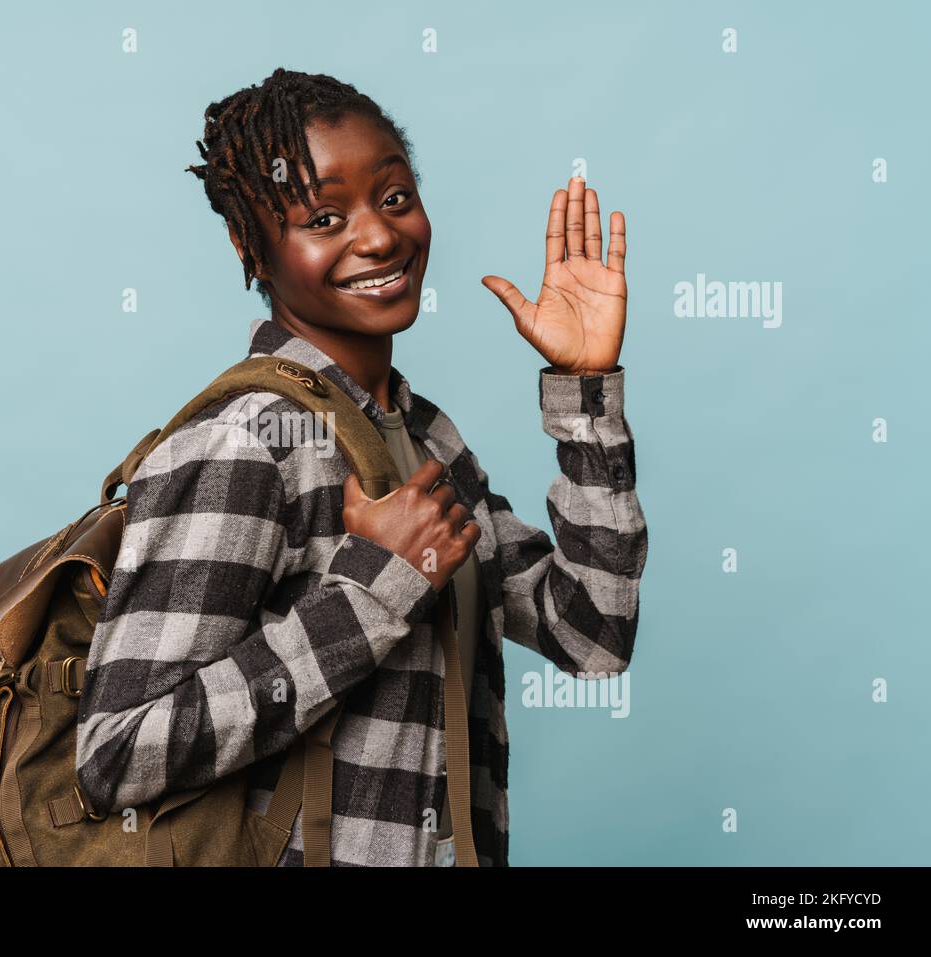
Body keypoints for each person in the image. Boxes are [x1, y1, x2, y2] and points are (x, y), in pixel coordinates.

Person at [76, 67, 647, 867]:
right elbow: (115, 752)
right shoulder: (246, 442)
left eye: (394, 198)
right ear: (254, 248)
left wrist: (586, 390)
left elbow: (591, 633)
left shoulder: (427, 437)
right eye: (324, 216)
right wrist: (373, 590)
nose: (378, 237)